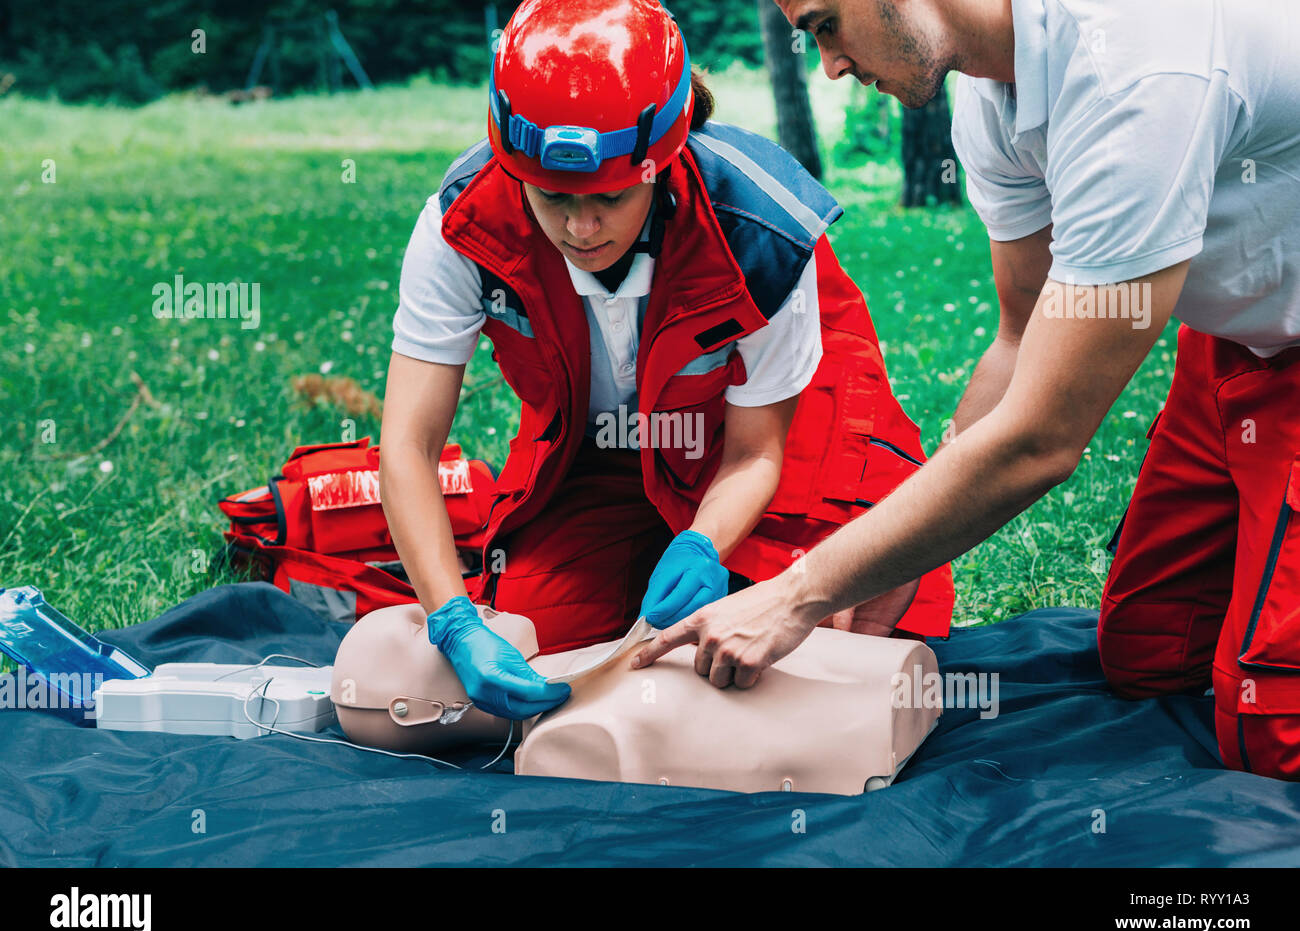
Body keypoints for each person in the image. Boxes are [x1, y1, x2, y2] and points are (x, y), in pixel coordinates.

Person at [636, 0, 1300, 781]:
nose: (832, 65)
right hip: (1227, 346)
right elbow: (1020, 341)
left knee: (1274, 729)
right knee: (1148, 654)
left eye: (825, 25)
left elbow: (1040, 441)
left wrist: (796, 594)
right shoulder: (997, 98)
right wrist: (895, 560)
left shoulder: (1138, 69)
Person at [378, 0, 954, 722]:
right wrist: (452, 618)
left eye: (610, 198)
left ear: (662, 163)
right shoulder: (459, 226)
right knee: (542, 645)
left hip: (790, 424)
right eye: (552, 197)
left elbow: (755, 453)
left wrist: (703, 544)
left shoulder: (760, 227)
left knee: (829, 640)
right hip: (604, 452)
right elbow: (407, 444)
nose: (580, 227)